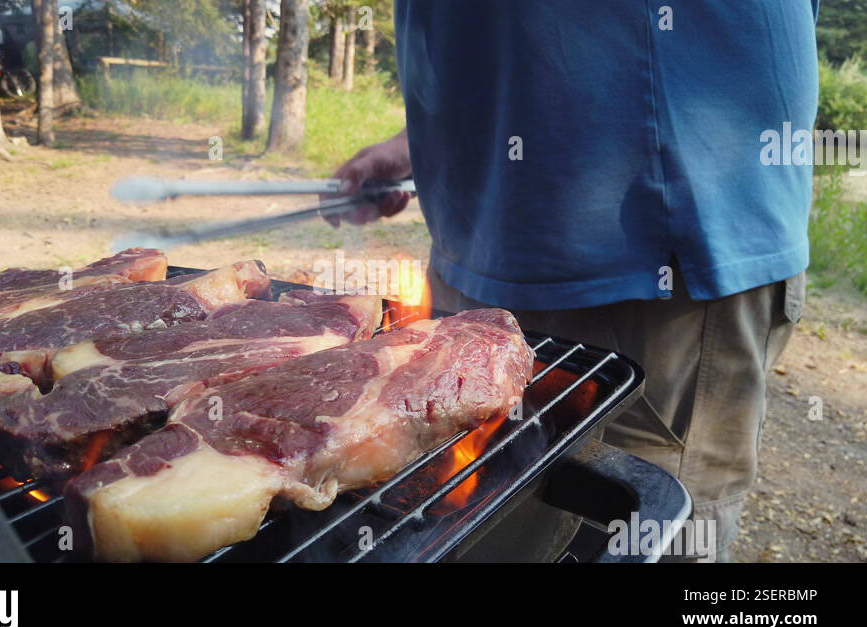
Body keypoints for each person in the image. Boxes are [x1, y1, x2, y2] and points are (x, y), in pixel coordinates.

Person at [329, 1, 820, 561]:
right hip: (479, 247)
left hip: (651, 253)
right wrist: (424, 138)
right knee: (480, 525)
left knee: (648, 536)